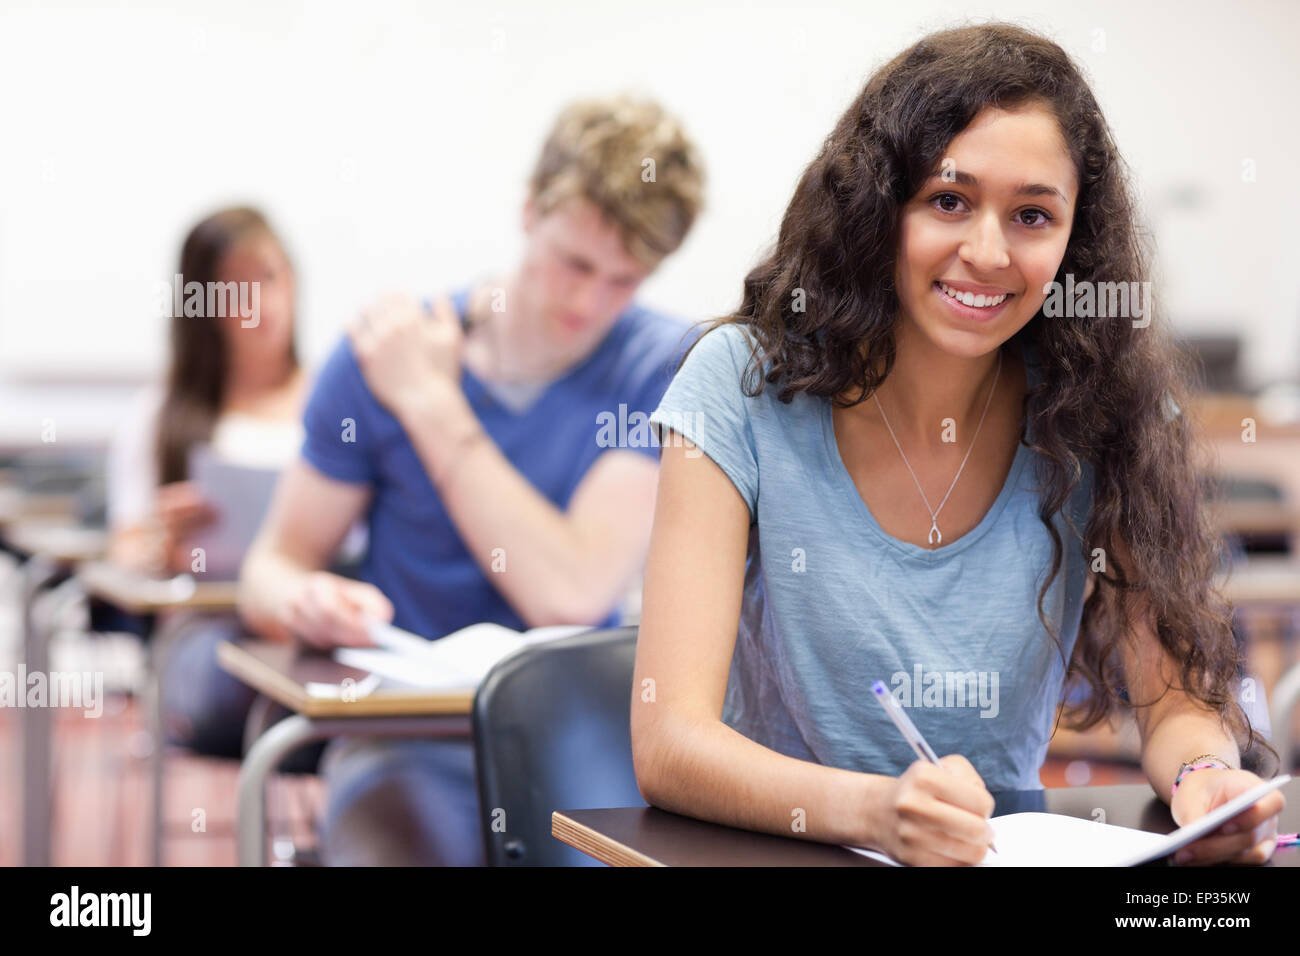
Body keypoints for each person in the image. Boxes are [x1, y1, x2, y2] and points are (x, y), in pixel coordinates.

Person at [632, 22, 1284, 867]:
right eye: (948, 200)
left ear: (1074, 242)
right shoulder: (741, 383)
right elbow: (670, 740)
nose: (987, 252)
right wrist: (873, 811)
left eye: (1032, 216)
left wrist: (1204, 776)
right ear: (879, 206)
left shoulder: (1103, 404)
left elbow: (1170, 702)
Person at [238, 95, 706, 865]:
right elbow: (271, 564)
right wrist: (304, 600)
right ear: (529, 210)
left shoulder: (659, 364)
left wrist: (429, 403)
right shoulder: (378, 354)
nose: (589, 302)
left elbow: (568, 590)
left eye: (624, 280)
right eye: (575, 263)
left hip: (579, 746)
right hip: (410, 739)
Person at [106, 206, 310, 757]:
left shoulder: (336, 407)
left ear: (292, 282)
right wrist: (160, 543)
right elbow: (124, 553)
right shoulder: (161, 417)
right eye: (234, 290)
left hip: (318, 628)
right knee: (248, 681)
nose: (259, 305)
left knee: (345, 685)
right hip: (213, 635)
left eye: (268, 280)